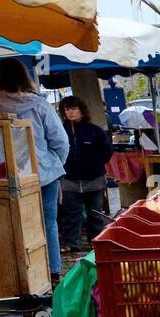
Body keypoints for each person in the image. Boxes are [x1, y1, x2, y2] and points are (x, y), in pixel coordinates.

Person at [0, 59, 70, 283]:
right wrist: (55, 164)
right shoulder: (38, 104)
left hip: (2, 174)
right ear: (25, 76)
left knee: (5, 224)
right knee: (48, 223)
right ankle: (53, 270)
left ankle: (12, 274)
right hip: (42, 173)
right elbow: (60, 141)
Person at [57, 95, 113, 253]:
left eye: (73, 108)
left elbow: (107, 151)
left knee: (95, 213)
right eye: (67, 109)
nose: (70, 112)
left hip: (94, 179)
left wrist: (93, 164)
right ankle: (71, 243)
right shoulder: (60, 132)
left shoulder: (94, 131)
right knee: (71, 214)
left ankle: (95, 241)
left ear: (81, 110)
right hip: (69, 180)